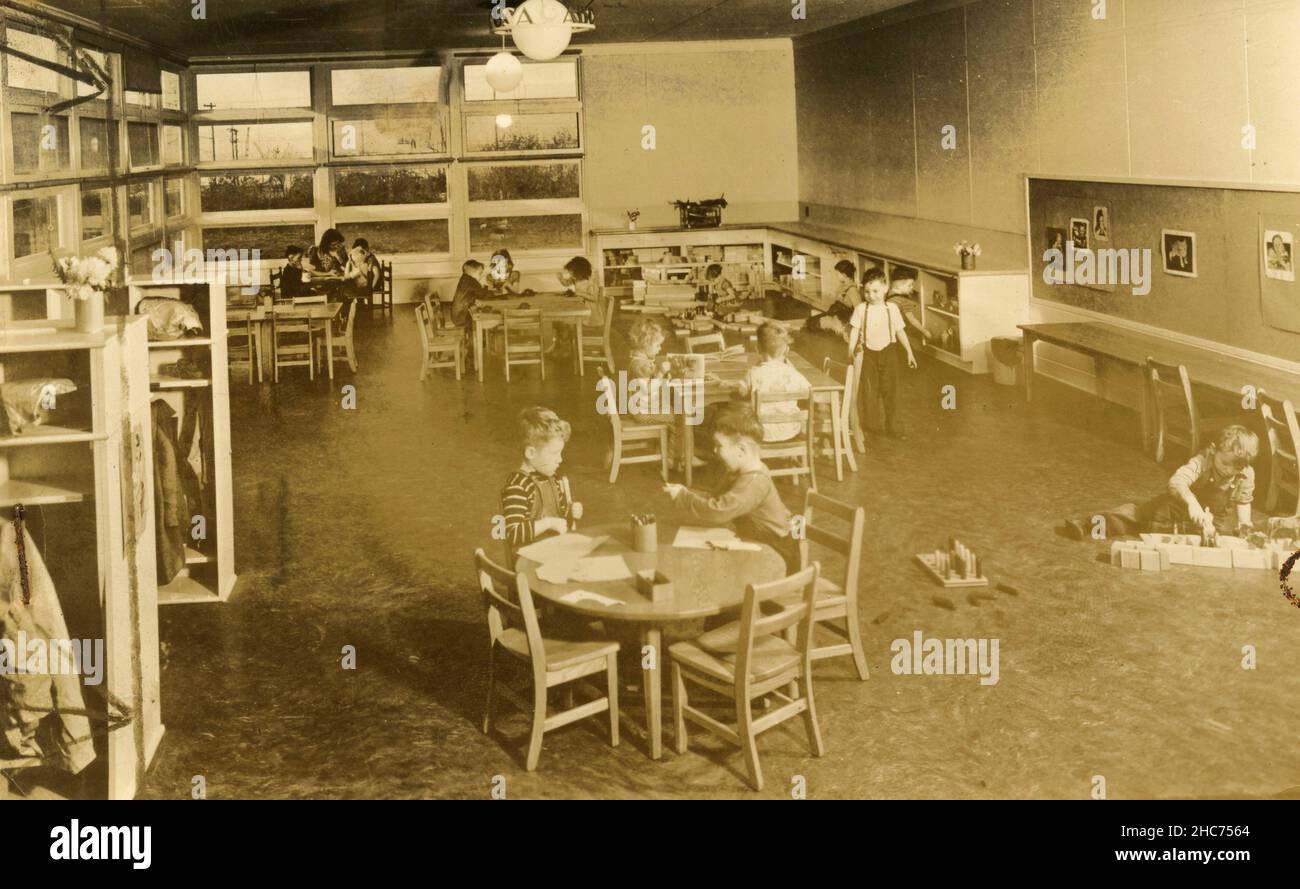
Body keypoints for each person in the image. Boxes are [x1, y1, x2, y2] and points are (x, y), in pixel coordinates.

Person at [663, 402, 799, 572]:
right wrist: (685, 492)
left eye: (719, 446)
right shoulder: (738, 472)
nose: (714, 451)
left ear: (741, 450)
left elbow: (718, 511)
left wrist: (683, 497)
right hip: (758, 542)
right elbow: (716, 498)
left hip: (777, 553)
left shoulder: (753, 482)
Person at [1061, 426, 1259, 540]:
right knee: (1137, 516)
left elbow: (1243, 501)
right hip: (1177, 507)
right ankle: (1087, 524)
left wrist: (1244, 524)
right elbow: (1177, 481)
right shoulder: (1202, 461)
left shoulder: (1246, 475)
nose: (1229, 471)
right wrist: (1192, 503)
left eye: (1237, 468)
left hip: (1204, 524)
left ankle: (1158, 528)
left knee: (1189, 536)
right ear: (1213, 450)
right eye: (1225, 464)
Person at [500, 407, 583, 558]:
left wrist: (570, 512)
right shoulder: (517, 486)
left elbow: (560, 517)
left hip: (553, 553)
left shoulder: (552, 478)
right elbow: (513, 533)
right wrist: (548, 523)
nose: (560, 459)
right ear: (531, 452)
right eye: (554, 453)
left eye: (561, 453)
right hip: (528, 561)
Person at [848, 267, 916, 441]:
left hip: (889, 352)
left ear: (886, 288)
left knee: (892, 391)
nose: (872, 295)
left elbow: (900, 331)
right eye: (867, 292)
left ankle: (895, 428)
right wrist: (851, 350)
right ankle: (871, 427)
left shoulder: (891, 308)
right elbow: (855, 331)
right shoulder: (861, 309)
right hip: (867, 353)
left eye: (876, 291)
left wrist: (909, 352)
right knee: (869, 390)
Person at [732, 322, 809, 442]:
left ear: (757, 348)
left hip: (762, 432)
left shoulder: (753, 373)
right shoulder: (793, 373)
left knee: (733, 413)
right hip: (791, 430)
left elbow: (741, 392)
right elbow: (808, 389)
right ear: (787, 350)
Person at [807, 259, 861, 335]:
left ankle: (838, 330)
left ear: (844, 275)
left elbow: (859, 309)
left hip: (841, 320)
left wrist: (850, 325)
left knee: (813, 325)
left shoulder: (852, 290)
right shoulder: (843, 286)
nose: (836, 276)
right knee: (811, 320)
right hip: (834, 314)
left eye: (838, 274)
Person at [886, 268, 930, 346]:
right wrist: (925, 332)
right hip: (896, 335)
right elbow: (912, 320)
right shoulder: (904, 301)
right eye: (909, 285)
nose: (912, 287)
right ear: (900, 285)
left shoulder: (887, 294)